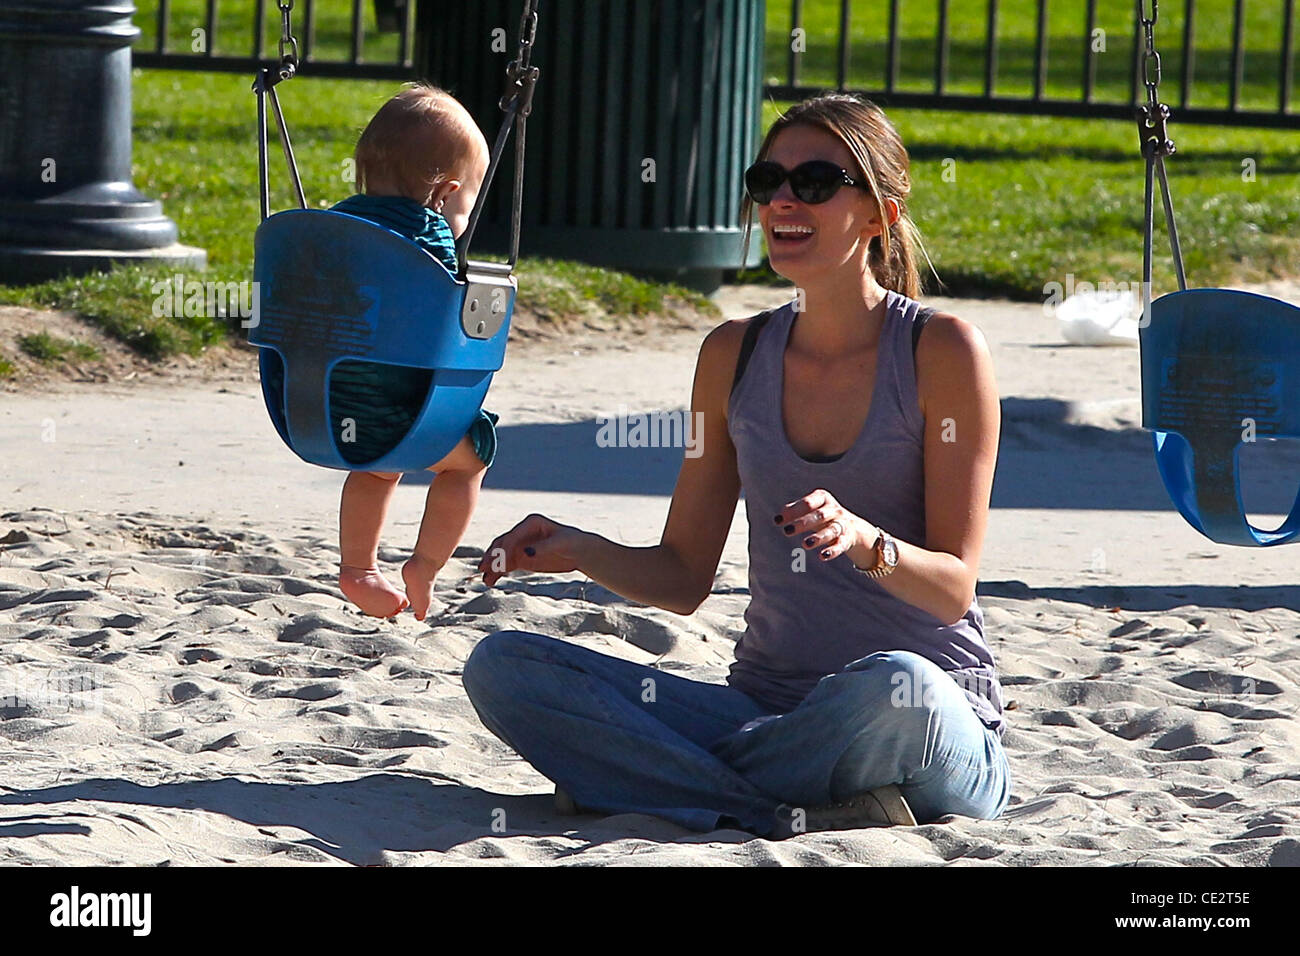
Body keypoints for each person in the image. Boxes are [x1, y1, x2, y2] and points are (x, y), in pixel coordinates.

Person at [464, 93, 1011, 839]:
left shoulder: (942, 350)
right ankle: (773, 802)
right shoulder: (731, 353)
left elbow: (953, 590)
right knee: (504, 667)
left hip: (924, 719)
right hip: (765, 712)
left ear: (879, 214)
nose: (783, 200)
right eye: (767, 181)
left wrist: (862, 540)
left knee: (897, 685)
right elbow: (683, 575)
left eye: (815, 182)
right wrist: (579, 549)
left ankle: (661, 782)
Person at [329, 84, 497, 622]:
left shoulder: (332, 226)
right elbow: (447, 319)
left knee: (377, 469)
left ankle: (357, 567)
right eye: (468, 203)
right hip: (403, 412)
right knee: (470, 460)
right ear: (447, 193)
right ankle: (424, 565)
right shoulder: (429, 236)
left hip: (328, 404)